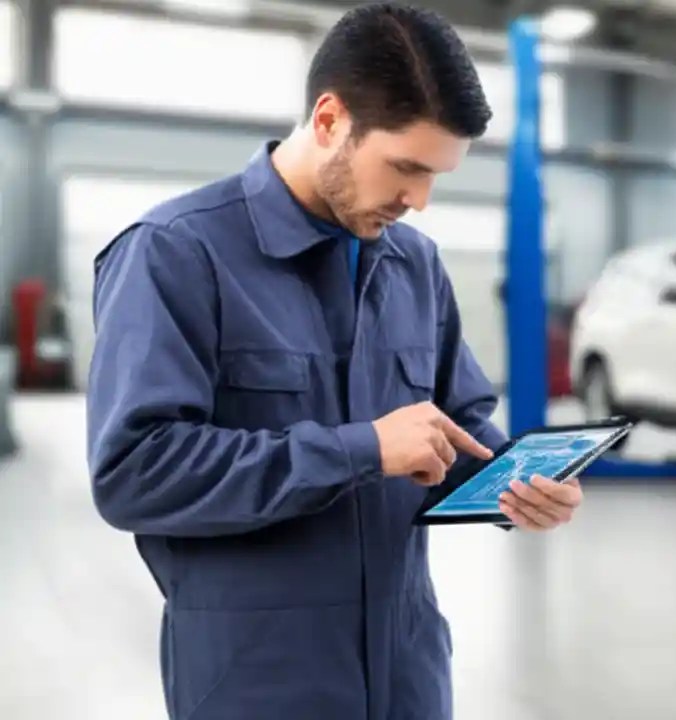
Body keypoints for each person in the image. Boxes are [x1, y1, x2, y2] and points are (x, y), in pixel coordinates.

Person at [85, 3, 583, 718]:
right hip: (258, 681)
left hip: (407, 670)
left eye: (436, 174)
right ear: (329, 120)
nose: (419, 201)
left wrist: (516, 484)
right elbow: (135, 474)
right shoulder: (175, 253)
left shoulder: (414, 264)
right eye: (405, 167)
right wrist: (361, 449)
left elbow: (461, 424)